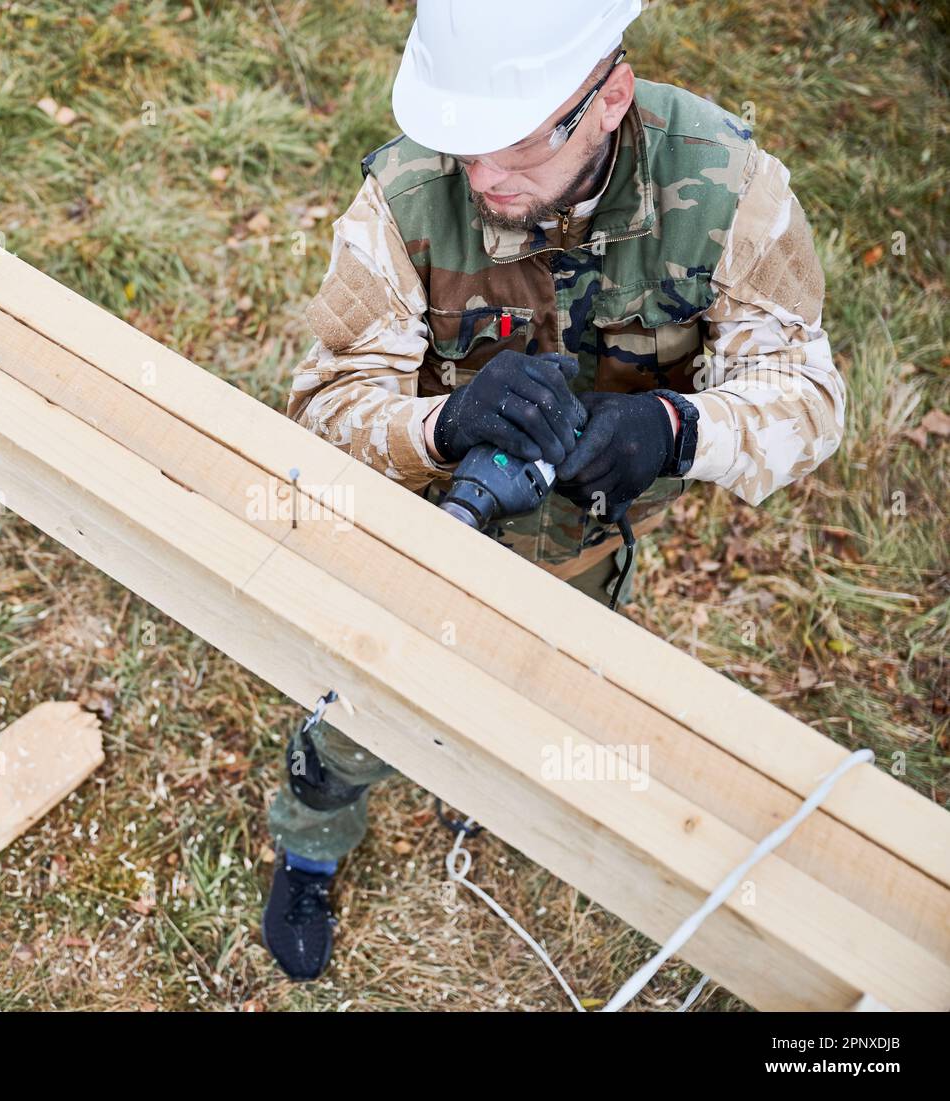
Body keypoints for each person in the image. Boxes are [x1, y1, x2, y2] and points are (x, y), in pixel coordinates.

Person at [261, 0, 845, 981]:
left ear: (607, 98)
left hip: (584, 544)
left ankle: (478, 775)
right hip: (414, 522)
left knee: (535, 697)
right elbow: (325, 398)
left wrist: (675, 429)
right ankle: (311, 842)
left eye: (515, 146)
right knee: (356, 695)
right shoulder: (411, 189)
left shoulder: (726, 187)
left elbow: (807, 399)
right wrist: (438, 426)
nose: (481, 177)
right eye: (464, 146)